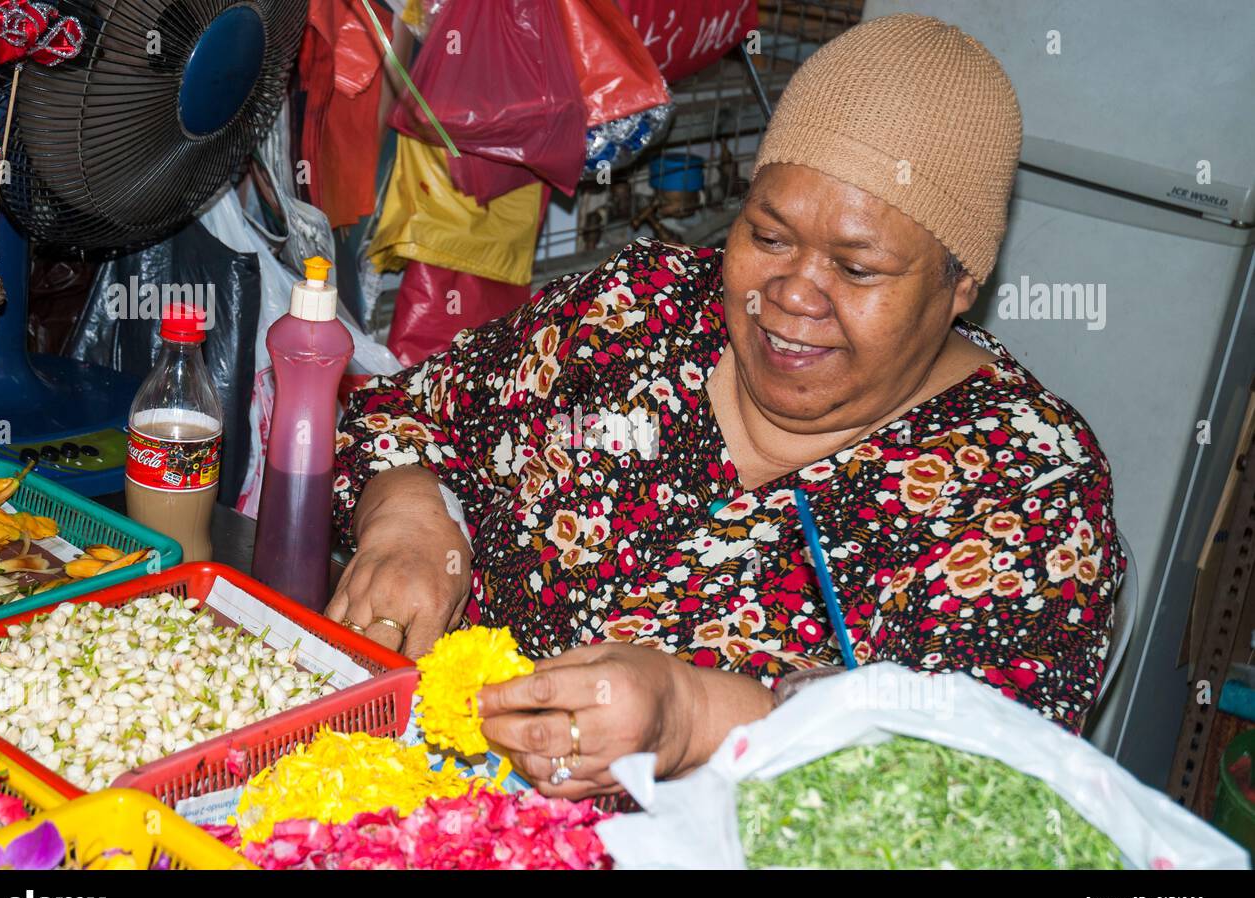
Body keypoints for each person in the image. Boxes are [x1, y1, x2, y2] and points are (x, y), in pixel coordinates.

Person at [326, 13, 1126, 800]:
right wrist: (410, 521)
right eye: (769, 236)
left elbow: (980, 787)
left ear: (960, 286)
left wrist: (695, 716)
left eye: (857, 268)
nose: (791, 293)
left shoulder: (1026, 486)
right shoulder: (636, 313)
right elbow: (407, 414)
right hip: (403, 810)